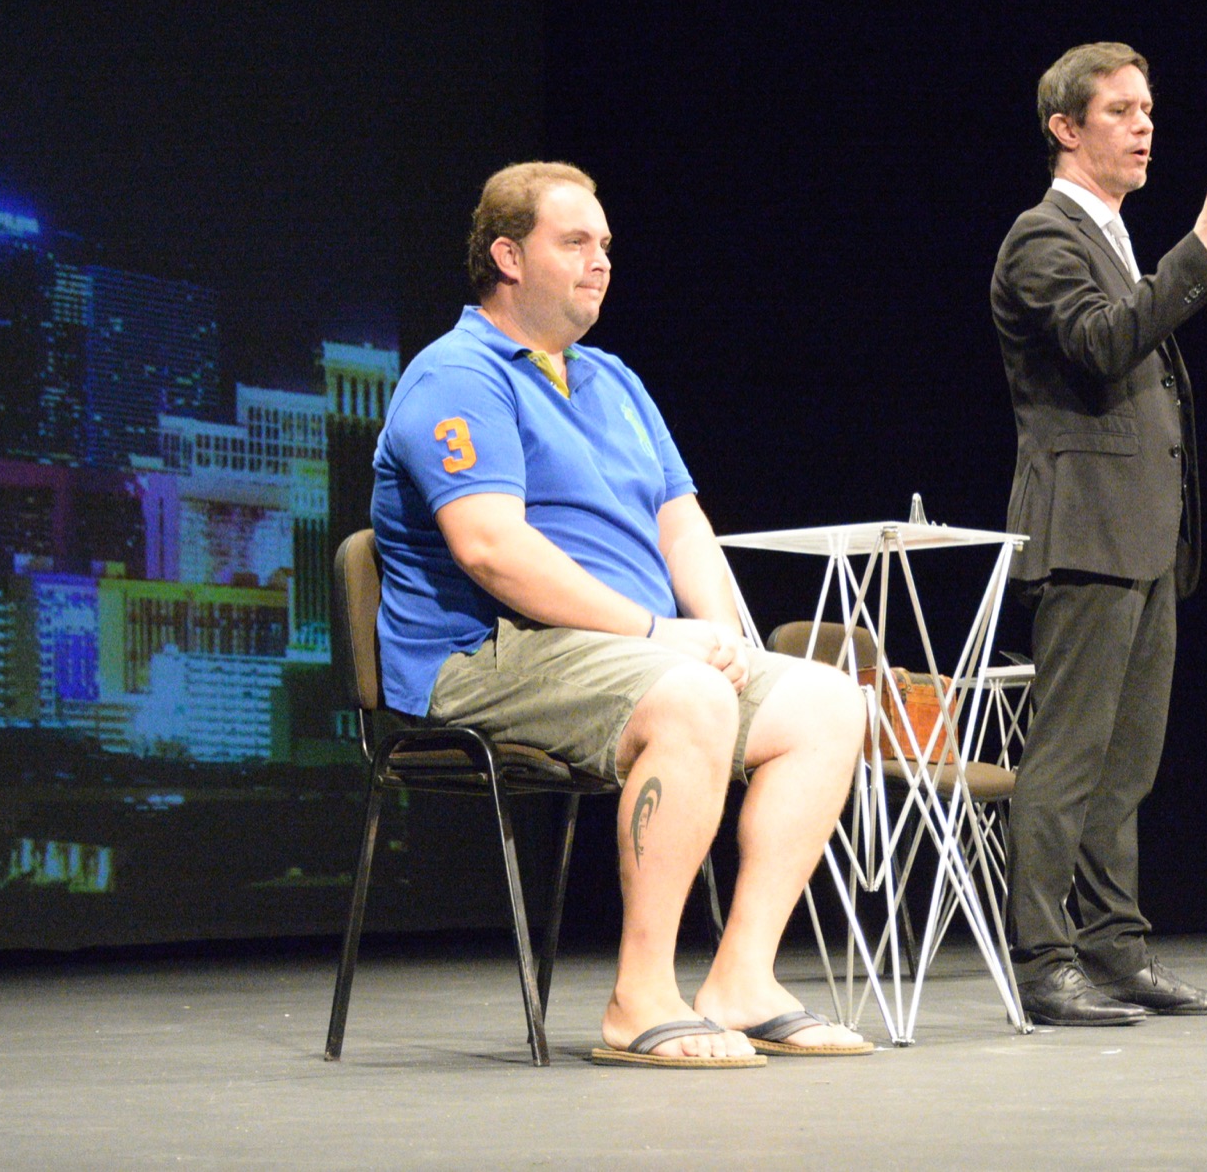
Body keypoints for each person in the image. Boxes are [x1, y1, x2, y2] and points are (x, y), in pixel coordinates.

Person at [370, 161, 871, 1067]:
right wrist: (660, 638)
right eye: (576, 243)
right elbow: (491, 550)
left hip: (624, 657)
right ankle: (639, 996)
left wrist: (733, 644)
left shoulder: (613, 381)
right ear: (508, 257)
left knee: (828, 704)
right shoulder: (457, 375)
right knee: (690, 698)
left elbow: (685, 534)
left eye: (606, 244)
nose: (601, 261)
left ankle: (743, 980)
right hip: (487, 654)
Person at [991, 43, 1207, 1026]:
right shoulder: (1041, 238)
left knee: (1125, 764)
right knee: (1067, 758)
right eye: (1119, 110)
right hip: (1083, 534)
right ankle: (1043, 956)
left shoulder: (1103, 236)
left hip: (1142, 535)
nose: (1143, 124)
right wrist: (1199, 247)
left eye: (1148, 107)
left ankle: (1113, 949)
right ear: (1066, 129)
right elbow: (1106, 342)